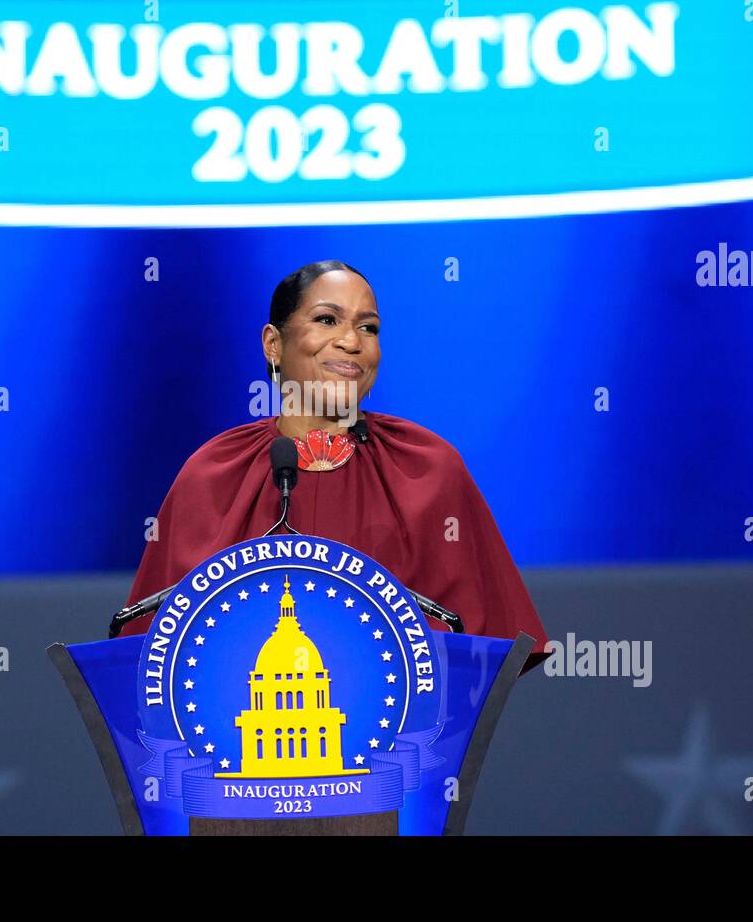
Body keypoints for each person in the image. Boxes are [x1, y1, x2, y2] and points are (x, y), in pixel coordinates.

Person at [119, 260, 549, 664]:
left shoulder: (427, 467)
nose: (352, 342)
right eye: (327, 320)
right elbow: (149, 658)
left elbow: (483, 658)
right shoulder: (214, 472)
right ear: (274, 343)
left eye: (369, 327)